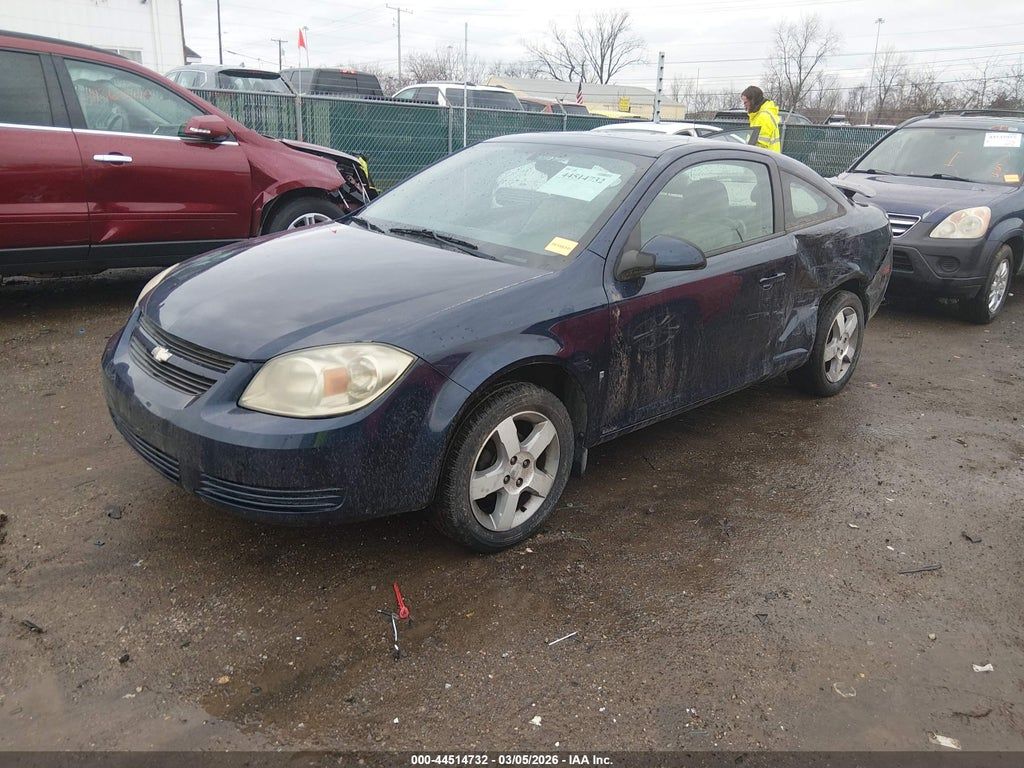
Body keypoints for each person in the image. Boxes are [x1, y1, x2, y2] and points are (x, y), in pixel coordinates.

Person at [740, 85, 781, 153]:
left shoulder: (763, 117)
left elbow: (759, 145)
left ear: (753, 101)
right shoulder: (760, 115)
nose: (745, 105)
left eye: (746, 102)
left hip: (765, 159)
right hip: (769, 158)